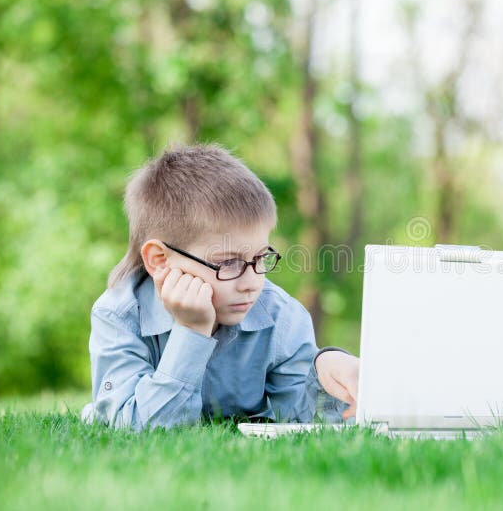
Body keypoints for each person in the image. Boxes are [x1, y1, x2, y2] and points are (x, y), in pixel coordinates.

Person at [79, 144, 360, 431]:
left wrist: (326, 369)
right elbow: (137, 427)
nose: (252, 284)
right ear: (160, 260)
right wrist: (191, 332)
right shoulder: (118, 315)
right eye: (228, 262)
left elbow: (303, 421)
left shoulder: (280, 315)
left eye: (261, 257)